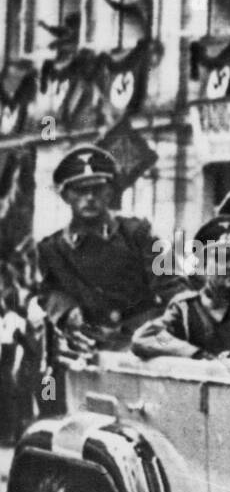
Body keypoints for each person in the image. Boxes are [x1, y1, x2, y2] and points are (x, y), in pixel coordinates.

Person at [36, 145, 185, 347]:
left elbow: (172, 284)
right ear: (65, 196)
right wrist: (66, 312)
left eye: (97, 189)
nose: (89, 198)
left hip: (144, 340)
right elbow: (47, 291)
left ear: (109, 193)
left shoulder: (140, 233)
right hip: (88, 343)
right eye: (80, 190)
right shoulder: (52, 249)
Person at [131, 216, 230, 360]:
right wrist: (195, 353)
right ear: (202, 266)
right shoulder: (186, 309)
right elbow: (150, 338)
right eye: (221, 258)